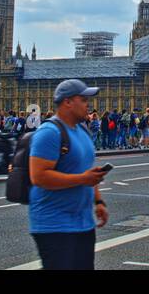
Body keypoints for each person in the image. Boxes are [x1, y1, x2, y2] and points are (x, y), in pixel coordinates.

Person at [28, 79, 108, 270]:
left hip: (83, 224)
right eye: (84, 99)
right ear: (68, 102)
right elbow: (38, 177)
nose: (89, 104)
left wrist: (98, 201)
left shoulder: (82, 130)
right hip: (54, 225)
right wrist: (83, 179)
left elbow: (88, 169)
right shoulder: (49, 132)